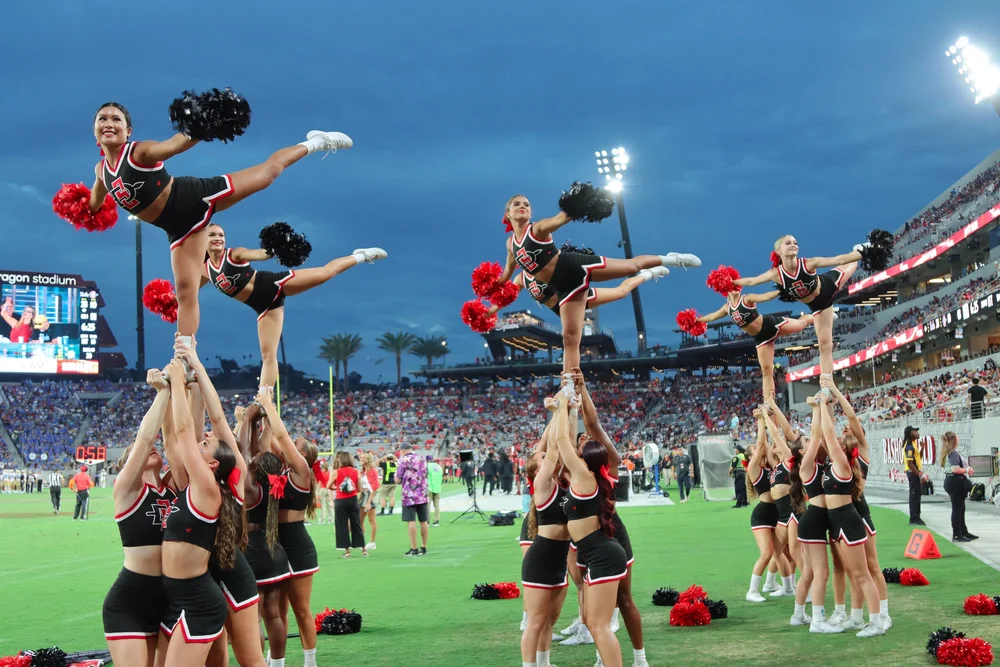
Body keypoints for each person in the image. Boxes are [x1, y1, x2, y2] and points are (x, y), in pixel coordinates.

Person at [89, 102, 352, 350]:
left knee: (268, 173)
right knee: (185, 290)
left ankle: (316, 142)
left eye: (116, 119)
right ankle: (185, 353)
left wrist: (201, 124)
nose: (109, 123)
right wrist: (83, 208)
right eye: (103, 118)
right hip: (179, 229)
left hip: (193, 198)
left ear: (128, 130)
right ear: (95, 130)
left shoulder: (139, 152)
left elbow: (174, 145)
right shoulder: (101, 170)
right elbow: (95, 201)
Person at [496, 192, 700, 374]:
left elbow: (561, 218)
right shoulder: (511, 245)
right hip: (566, 289)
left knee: (630, 267)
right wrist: (491, 293)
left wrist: (578, 204)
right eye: (516, 204)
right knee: (570, 339)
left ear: (531, 213)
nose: (523, 206)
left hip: (574, 267)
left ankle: (671, 259)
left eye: (527, 204)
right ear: (508, 214)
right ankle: (569, 385)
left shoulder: (538, 229)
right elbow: (507, 271)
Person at [203, 223, 386, 394]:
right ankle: (264, 399)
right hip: (264, 306)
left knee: (325, 273)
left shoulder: (234, 254)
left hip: (274, 284)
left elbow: (261, 254)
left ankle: (362, 255)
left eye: (221, 235)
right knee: (268, 355)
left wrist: (275, 247)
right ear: (202, 240)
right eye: (212, 235)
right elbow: (187, 290)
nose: (218, 238)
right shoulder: (205, 269)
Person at [159, 358, 239, 664]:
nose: (200, 440)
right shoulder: (191, 486)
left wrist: (179, 380)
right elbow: (174, 438)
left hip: (197, 599)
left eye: (206, 444)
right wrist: (174, 389)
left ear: (213, 464)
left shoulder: (207, 488)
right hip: (176, 596)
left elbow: (182, 432)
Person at [733, 234, 877, 385]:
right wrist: (730, 281)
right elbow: (752, 281)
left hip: (828, 286)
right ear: (778, 251)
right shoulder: (776, 274)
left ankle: (858, 249)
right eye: (788, 243)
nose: (793, 244)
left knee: (849, 266)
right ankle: (827, 383)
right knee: (824, 344)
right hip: (819, 306)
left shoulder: (808, 263)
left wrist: (865, 252)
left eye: (795, 242)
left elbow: (839, 259)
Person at [551, 383, 625, 667]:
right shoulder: (595, 478)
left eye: (581, 452)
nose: (576, 453)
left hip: (603, 555)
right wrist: (570, 412)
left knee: (599, 626)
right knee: (595, 623)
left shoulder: (584, 476)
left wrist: (561, 409)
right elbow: (567, 444)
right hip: (599, 554)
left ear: (586, 460)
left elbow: (561, 443)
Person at [102, 369, 172, 665]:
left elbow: (182, 437)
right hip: (129, 600)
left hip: (168, 596)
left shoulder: (173, 487)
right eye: (138, 453)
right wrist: (162, 392)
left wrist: (181, 383)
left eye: (158, 448)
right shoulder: (128, 489)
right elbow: (144, 439)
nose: (151, 449)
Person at [815, 392, 887, 637]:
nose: (842, 433)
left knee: (867, 570)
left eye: (845, 435)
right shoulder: (836, 462)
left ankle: (879, 619)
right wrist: (822, 406)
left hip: (853, 515)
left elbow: (839, 426)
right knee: (853, 571)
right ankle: (856, 617)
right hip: (840, 518)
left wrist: (829, 397)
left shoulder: (849, 461)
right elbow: (824, 435)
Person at [682, 287, 816, 400]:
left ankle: (816, 317)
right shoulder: (727, 308)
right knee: (766, 371)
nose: (736, 288)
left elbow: (765, 297)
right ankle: (769, 402)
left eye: (737, 285)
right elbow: (711, 317)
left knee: (800, 324)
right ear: (724, 289)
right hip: (760, 338)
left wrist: (782, 290)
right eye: (731, 285)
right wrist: (695, 320)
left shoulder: (746, 299)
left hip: (770, 325)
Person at [520, 403, 569, 667]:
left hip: (560, 560)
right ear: (536, 470)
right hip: (541, 559)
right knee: (535, 621)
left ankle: (544, 663)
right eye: (540, 458)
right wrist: (559, 411)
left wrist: (559, 414)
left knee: (549, 620)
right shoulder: (541, 483)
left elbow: (551, 446)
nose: (544, 455)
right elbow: (552, 447)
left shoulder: (563, 481)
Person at [489, 267, 670, 318]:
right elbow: (506, 299)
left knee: (621, 292)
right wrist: (488, 312)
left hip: (575, 296)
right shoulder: (520, 279)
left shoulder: (551, 264)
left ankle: (648, 273)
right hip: (559, 310)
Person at [940, 431, 979, 543]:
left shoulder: (949, 452)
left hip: (951, 481)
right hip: (954, 481)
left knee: (960, 507)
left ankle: (963, 531)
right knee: (957, 508)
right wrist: (967, 470)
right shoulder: (953, 453)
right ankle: (957, 534)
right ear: (954, 440)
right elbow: (955, 469)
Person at [330, 451, 367, 557]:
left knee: (342, 525)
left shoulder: (337, 472)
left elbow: (329, 485)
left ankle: (347, 551)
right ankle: (363, 549)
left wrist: (339, 487)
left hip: (340, 500)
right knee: (356, 524)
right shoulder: (356, 471)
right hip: (353, 500)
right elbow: (359, 488)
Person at [396, 443, 430, 556]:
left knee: (411, 522)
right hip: (422, 494)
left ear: (403, 450)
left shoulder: (403, 460)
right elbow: (426, 473)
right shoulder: (422, 458)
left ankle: (414, 548)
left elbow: (397, 479)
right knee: (424, 521)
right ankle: (424, 547)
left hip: (409, 495)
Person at [903, 425, 927, 526]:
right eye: (915, 431)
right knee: (914, 495)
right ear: (910, 434)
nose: (917, 433)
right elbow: (909, 463)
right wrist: (919, 475)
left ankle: (917, 517)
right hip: (912, 473)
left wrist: (923, 448)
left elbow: (918, 458)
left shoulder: (913, 444)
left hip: (915, 472)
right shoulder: (909, 446)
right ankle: (913, 518)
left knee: (917, 495)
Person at [426, 456, 443, 526]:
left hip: (429, 487)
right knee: (437, 505)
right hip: (437, 488)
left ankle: (427, 521)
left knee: (427, 505)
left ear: (427, 460)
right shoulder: (439, 467)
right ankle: (436, 521)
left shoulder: (427, 466)